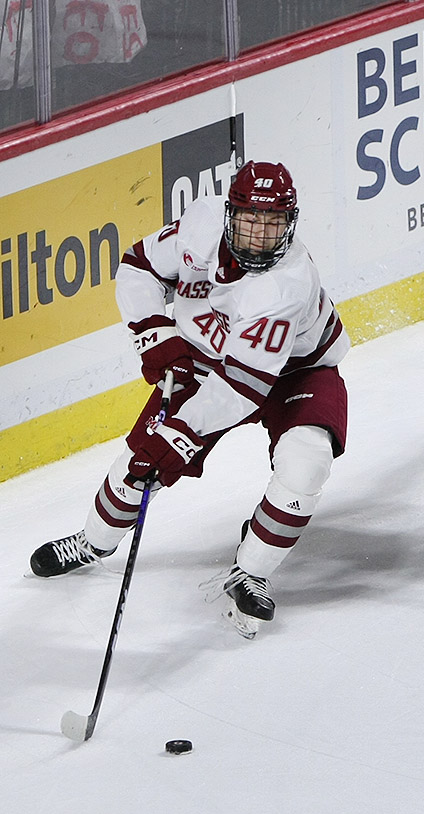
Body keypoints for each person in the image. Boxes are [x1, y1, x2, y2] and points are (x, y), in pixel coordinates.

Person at [29, 161, 349, 639]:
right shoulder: (199, 223)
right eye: (250, 220)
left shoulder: (288, 282)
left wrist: (180, 434)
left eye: (273, 223)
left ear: (290, 223)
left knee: (306, 466)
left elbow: (244, 385)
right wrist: (157, 337)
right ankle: (92, 542)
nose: (261, 234)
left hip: (295, 370)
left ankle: (252, 571)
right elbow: (138, 267)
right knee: (138, 466)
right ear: (229, 215)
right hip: (206, 362)